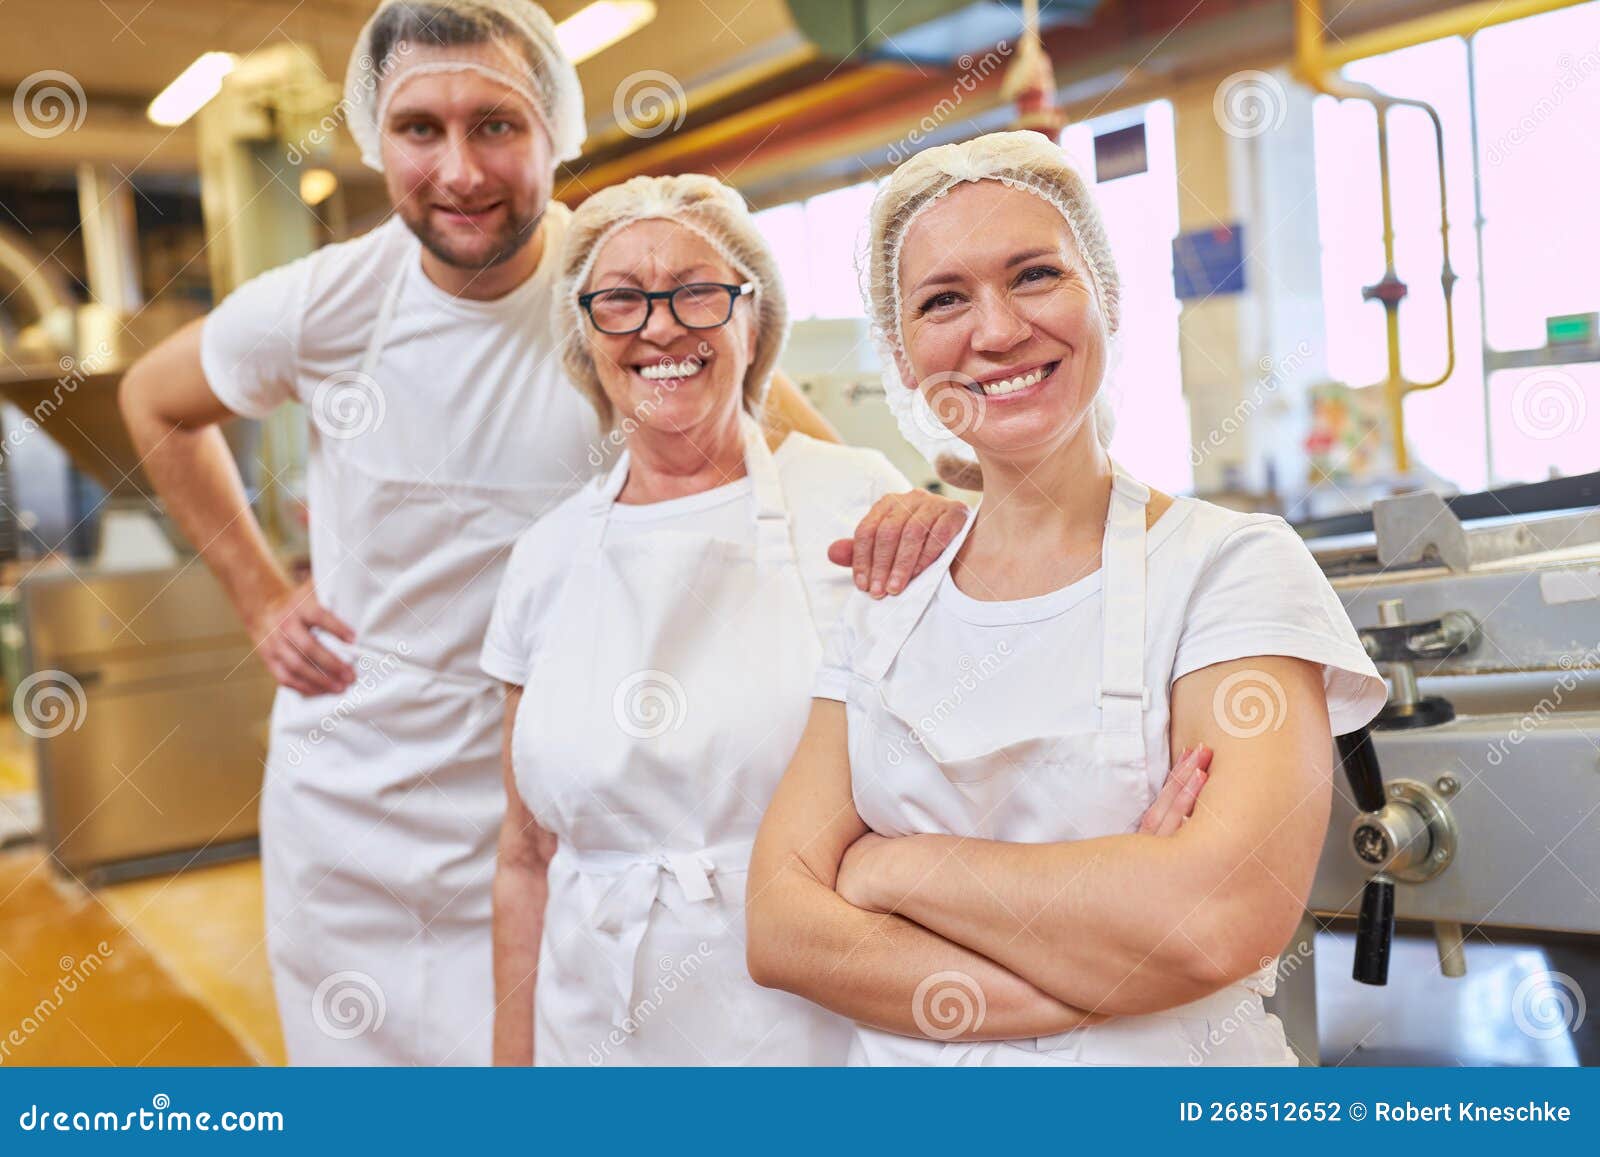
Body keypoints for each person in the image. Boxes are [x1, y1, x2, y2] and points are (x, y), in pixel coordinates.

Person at [117, 0, 949, 1065]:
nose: (459, 170)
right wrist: (258, 595)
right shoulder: (328, 304)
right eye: (420, 129)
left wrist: (914, 505)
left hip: (571, 806)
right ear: (378, 137)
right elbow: (154, 399)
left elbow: (788, 447)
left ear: (557, 133)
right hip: (356, 808)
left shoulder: (616, 290)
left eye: (497, 126)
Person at [746, 131, 1387, 1066]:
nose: (997, 331)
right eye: (943, 299)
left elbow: (1214, 920)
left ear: (1109, 298)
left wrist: (893, 866)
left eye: (1035, 275)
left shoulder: (1231, 567)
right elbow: (780, 927)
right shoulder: (890, 592)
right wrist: (1110, 947)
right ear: (902, 349)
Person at [481, 173, 976, 1065]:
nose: (661, 325)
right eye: (622, 299)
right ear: (584, 334)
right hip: (588, 1030)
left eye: (699, 291)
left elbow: (964, 766)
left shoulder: (858, 500)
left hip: (808, 1025)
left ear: (756, 324)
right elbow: (523, 857)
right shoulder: (544, 558)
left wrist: (961, 533)